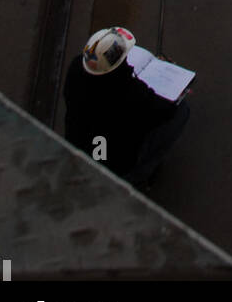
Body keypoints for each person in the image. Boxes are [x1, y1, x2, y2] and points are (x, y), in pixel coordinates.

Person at [63, 27, 190, 189]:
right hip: (116, 164)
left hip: (81, 150)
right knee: (181, 113)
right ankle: (137, 176)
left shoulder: (76, 69)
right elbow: (165, 111)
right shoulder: (129, 93)